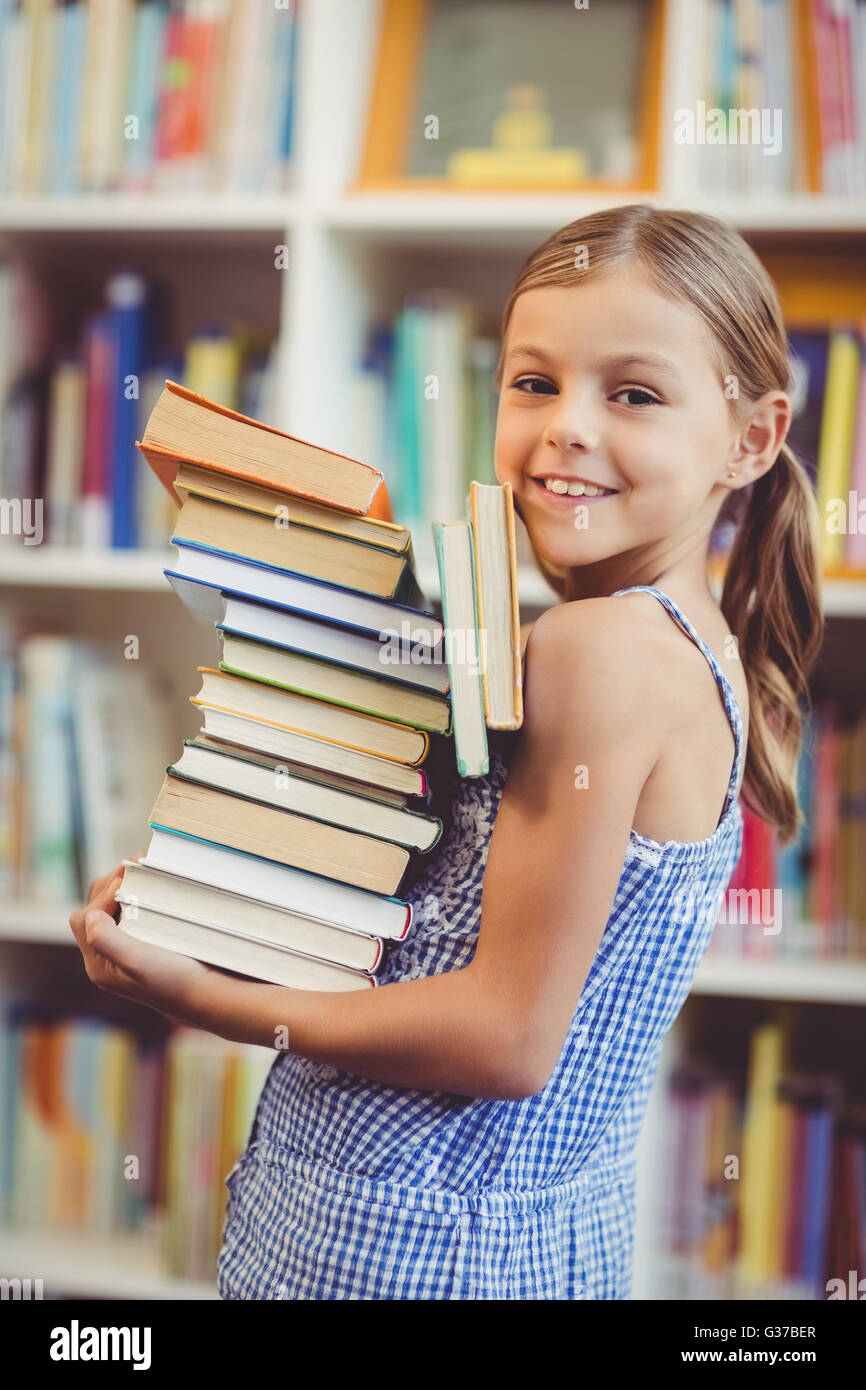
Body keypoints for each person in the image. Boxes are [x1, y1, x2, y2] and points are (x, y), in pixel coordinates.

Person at [70, 204, 823, 1299]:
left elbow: (503, 1035)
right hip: (509, 1235)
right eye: (532, 382)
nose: (566, 426)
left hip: (413, 1247)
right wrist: (209, 914)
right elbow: (446, 944)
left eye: (633, 394)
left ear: (750, 437)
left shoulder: (593, 653)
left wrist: (198, 995)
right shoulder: (684, 646)